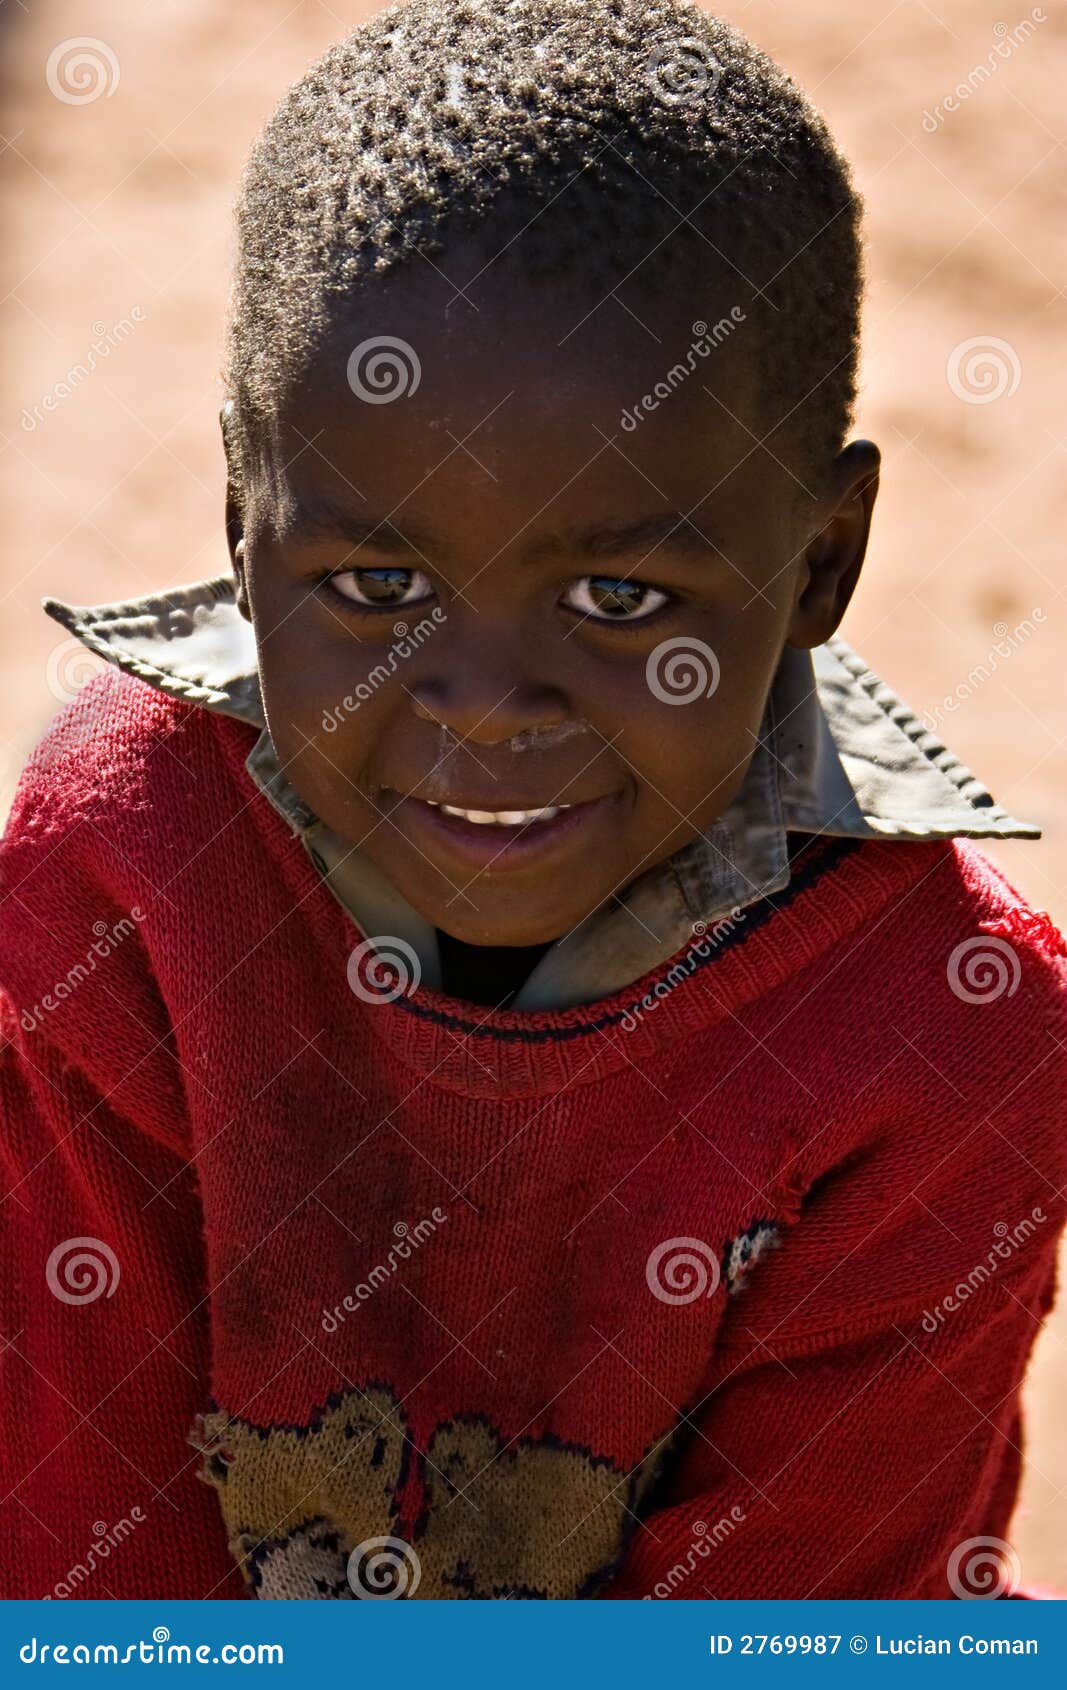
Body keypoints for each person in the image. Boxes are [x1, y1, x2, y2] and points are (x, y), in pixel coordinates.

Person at [1, 0, 1064, 1602]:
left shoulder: (949, 1043)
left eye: (625, 601)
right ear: (237, 521)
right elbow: (82, 1577)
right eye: (376, 580)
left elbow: (785, 1635)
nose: (484, 708)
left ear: (822, 562)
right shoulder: (120, 866)